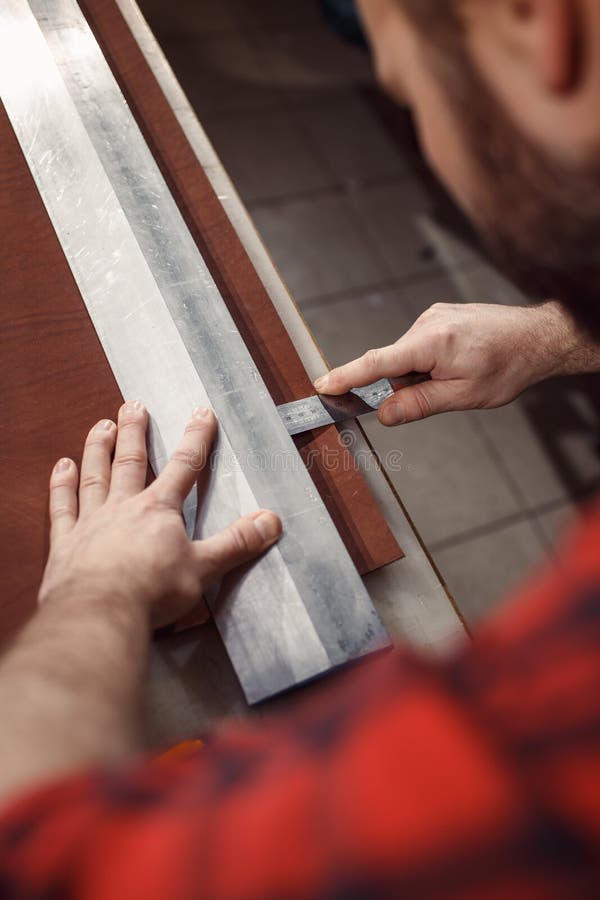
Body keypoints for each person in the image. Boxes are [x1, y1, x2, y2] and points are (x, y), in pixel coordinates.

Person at [1, 0, 600, 896]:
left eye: (404, 87)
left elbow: (41, 850)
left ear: (535, 23)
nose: (427, 135)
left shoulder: (534, 741)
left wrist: (99, 590)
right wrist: (557, 336)